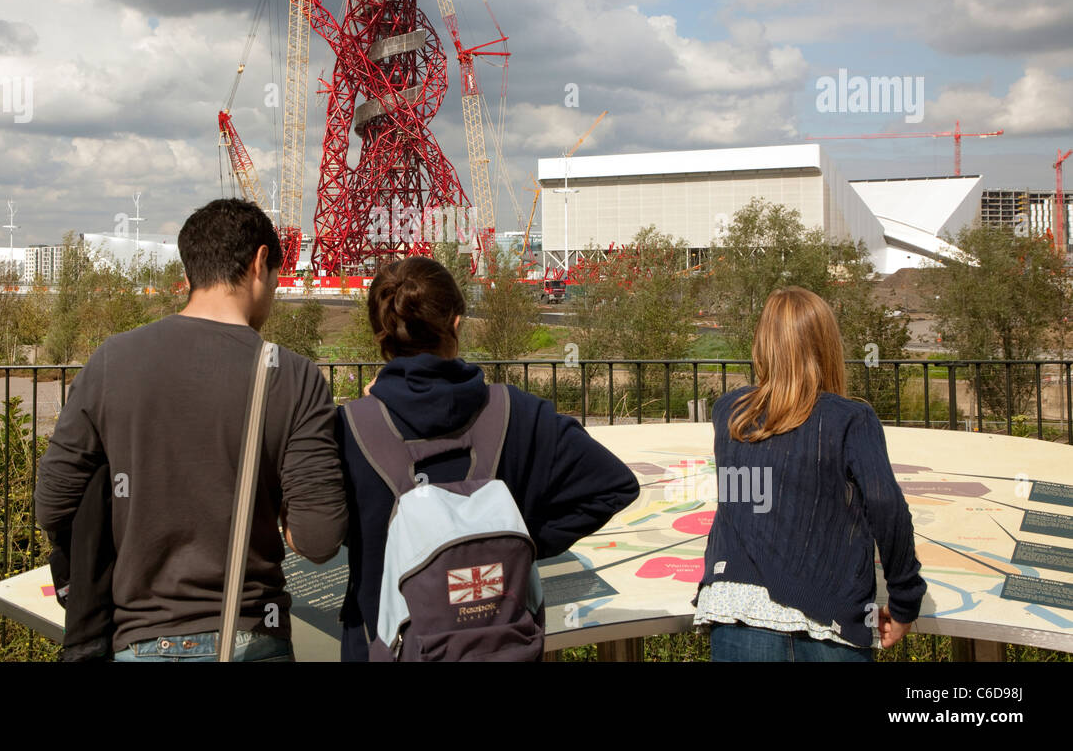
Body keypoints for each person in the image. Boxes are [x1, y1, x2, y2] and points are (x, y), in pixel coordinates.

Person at [34, 198, 347, 662]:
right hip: (253, 634)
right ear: (260, 262)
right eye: (278, 275)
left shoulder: (112, 360)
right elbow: (319, 540)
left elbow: (53, 503)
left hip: (138, 637)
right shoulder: (294, 376)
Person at [335, 256, 640, 661]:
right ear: (456, 324)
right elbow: (615, 485)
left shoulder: (347, 430)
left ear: (381, 333)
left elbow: (320, 528)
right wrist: (517, 539)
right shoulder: (522, 415)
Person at [692, 286, 926, 661]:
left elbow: (753, 497)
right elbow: (885, 503)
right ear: (827, 346)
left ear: (762, 345)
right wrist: (905, 600)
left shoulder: (728, 414)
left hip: (734, 612)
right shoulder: (850, 419)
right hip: (828, 621)